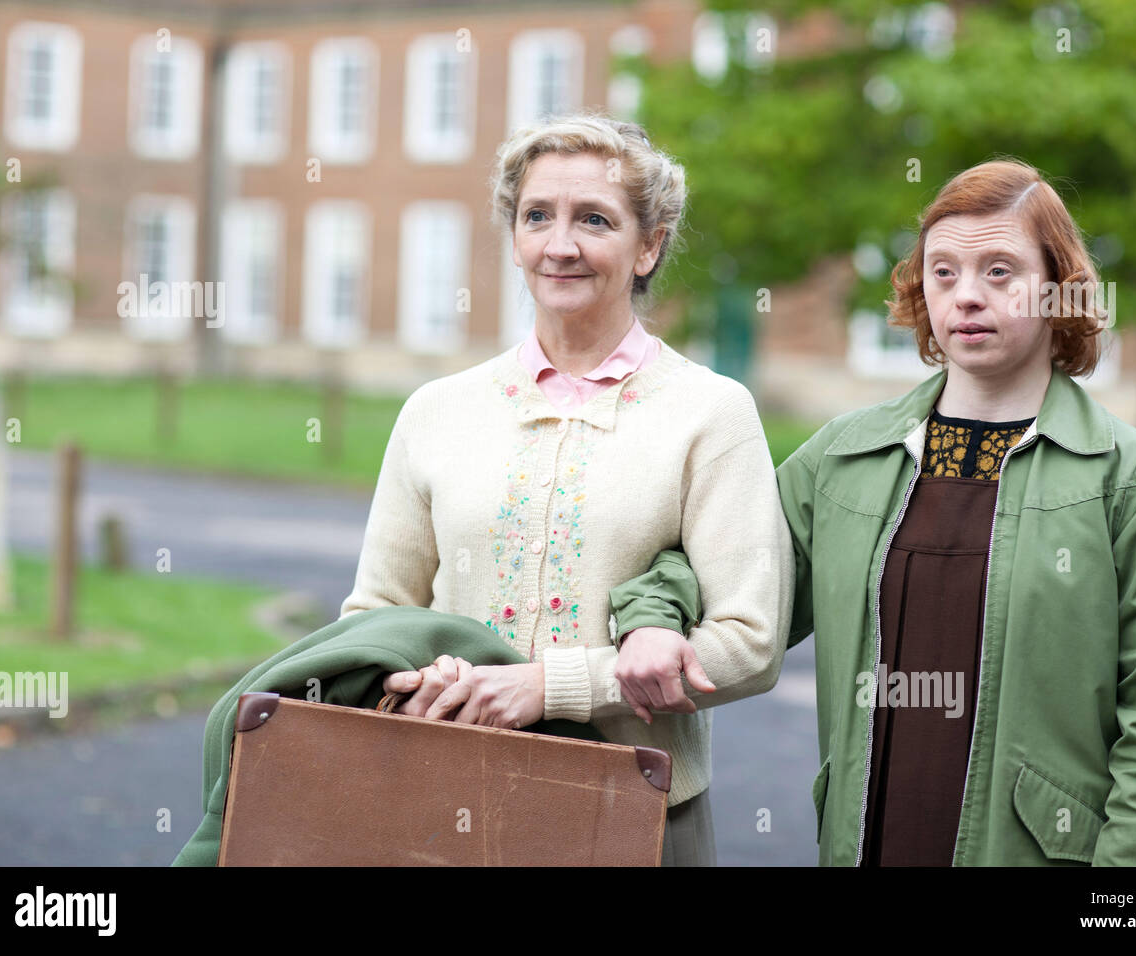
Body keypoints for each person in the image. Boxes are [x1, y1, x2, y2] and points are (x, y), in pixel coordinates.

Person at [610, 159, 1136, 866]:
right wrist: (651, 618)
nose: (966, 296)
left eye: (1000, 271)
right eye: (944, 272)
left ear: (1059, 289)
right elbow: (721, 562)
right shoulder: (843, 460)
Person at [337, 112, 795, 866]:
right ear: (513, 235)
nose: (561, 245)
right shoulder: (437, 410)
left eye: (594, 220)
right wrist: (430, 670)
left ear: (649, 246)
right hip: (448, 803)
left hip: (634, 815)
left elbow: (748, 646)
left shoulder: (711, 414)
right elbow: (374, 617)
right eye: (537, 216)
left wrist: (555, 686)